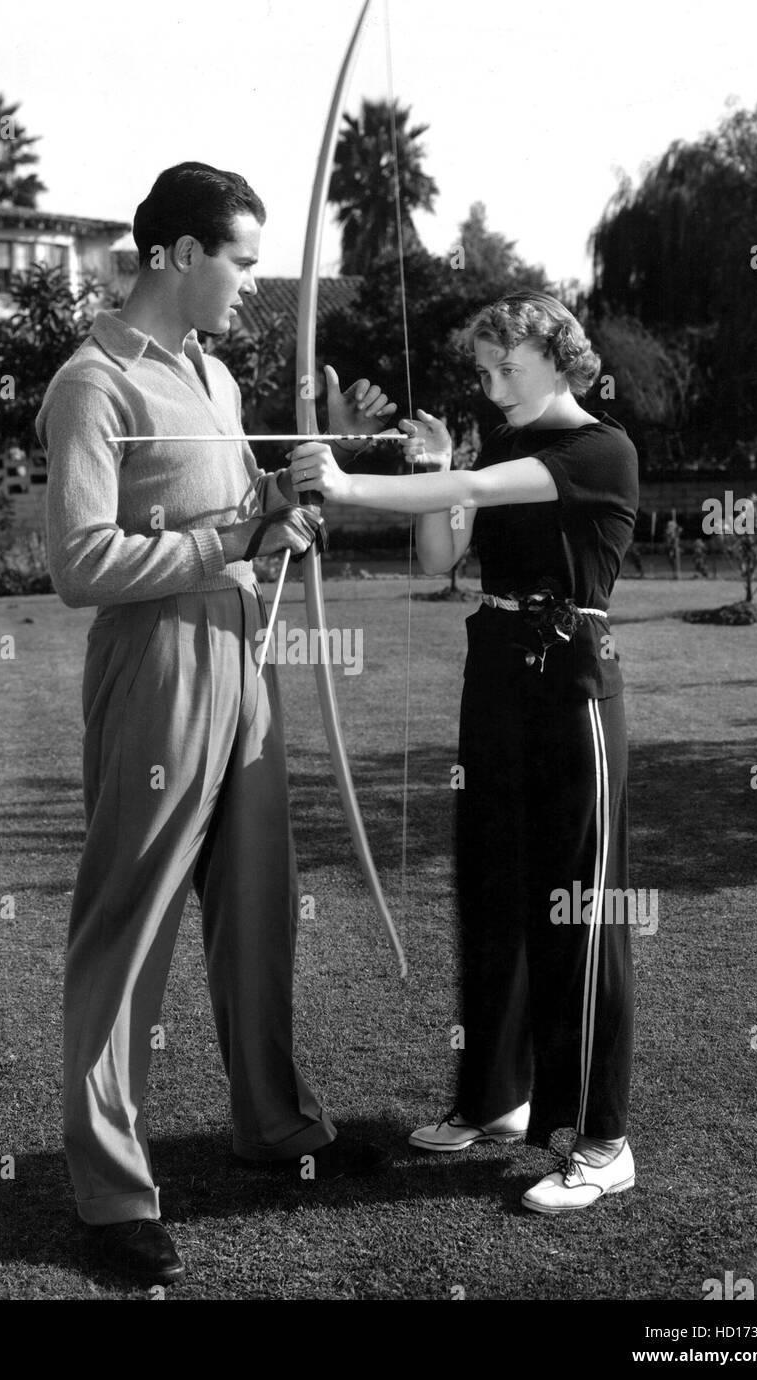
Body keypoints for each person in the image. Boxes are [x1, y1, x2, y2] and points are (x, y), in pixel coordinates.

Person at [37, 162, 391, 1284]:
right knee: (127, 925)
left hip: (246, 655)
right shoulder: (93, 384)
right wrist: (230, 545)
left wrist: (286, 504)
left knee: (258, 905)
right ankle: (110, 1198)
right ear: (178, 255)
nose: (251, 281)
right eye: (240, 257)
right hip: (157, 665)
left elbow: (238, 516)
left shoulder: (221, 378)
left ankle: (274, 1129)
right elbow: (78, 561)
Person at [291, 290, 639, 1213]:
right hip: (494, 678)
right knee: (492, 894)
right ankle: (496, 1101)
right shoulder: (499, 451)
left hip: (571, 688)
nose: (490, 386)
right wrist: (439, 465)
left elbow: (473, 495)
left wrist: (352, 482)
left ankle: (602, 1141)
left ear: (558, 356)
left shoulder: (599, 449)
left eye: (505, 368)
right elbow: (438, 559)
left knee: (578, 910)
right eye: (482, 372)